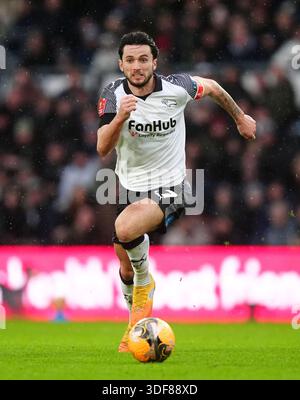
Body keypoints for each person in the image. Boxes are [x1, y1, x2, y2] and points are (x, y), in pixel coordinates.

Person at [96, 31, 256, 352]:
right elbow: (103, 147)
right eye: (130, 60)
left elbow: (212, 87)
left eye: (143, 59)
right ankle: (138, 311)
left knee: (125, 229)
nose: (137, 66)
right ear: (121, 64)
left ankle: (142, 297)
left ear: (155, 62)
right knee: (123, 260)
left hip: (175, 187)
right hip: (130, 189)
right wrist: (121, 118)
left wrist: (240, 117)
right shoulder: (113, 95)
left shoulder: (177, 87)